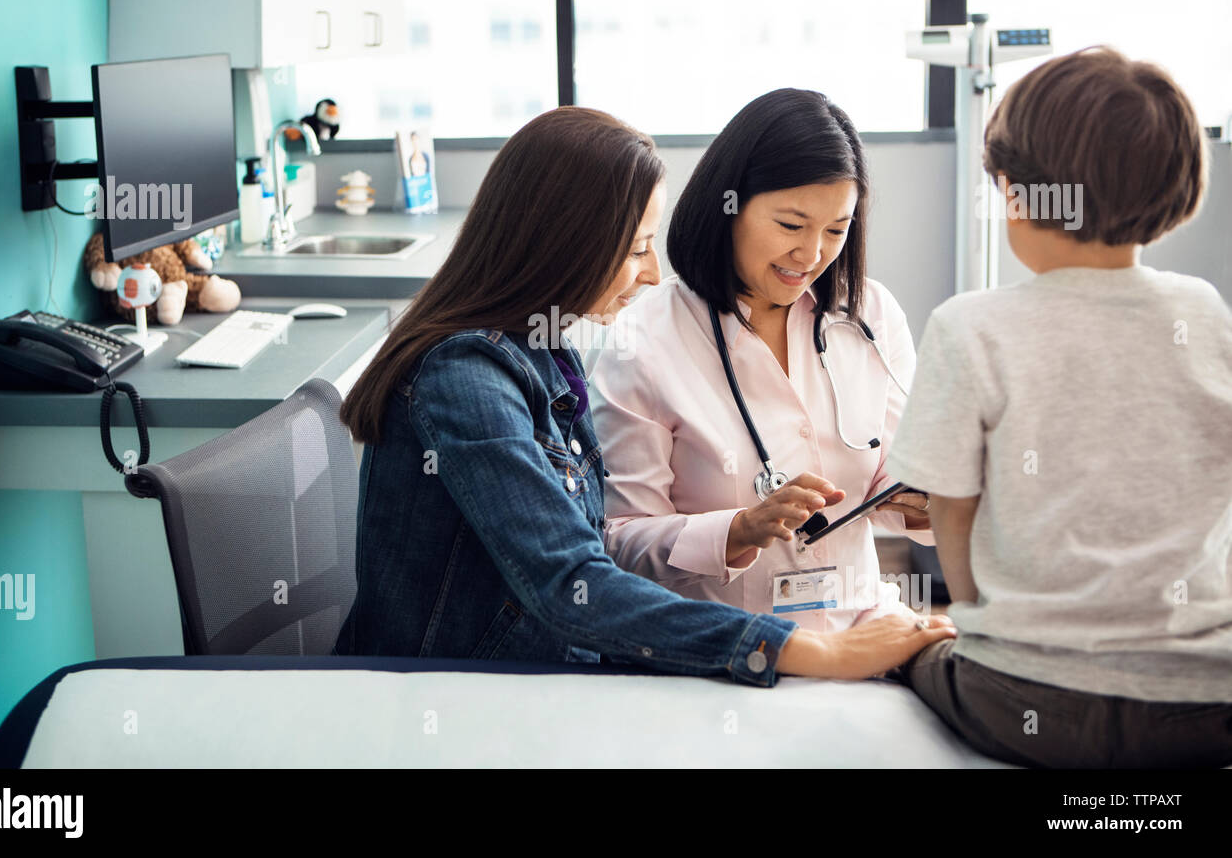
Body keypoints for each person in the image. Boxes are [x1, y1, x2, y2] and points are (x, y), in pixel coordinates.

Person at [333, 105, 954, 684]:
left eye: (837, 229)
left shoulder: (545, 357)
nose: (655, 271)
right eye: (635, 249)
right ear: (562, 243)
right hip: (470, 696)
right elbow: (577, 577)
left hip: (572, 671)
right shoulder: (464, 380)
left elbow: (581, 557)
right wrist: (807, 647)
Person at [888, 46, 1232, 767]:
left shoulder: (969, 325)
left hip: (1023, 699)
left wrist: (979, 622)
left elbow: (950, 506)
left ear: (1015, 193)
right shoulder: (1205, 314)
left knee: (908, 651)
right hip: (1203, 707)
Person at [589, 89, 933, 633]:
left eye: (836, 230)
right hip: (726, 640)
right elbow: (617, 538)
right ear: (728, 207)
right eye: (791, 226)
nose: (813, 254)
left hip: (862, 623)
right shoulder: (645, 338)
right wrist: (738, 530)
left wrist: (928, 502)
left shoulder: (871, 313)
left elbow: (890, 478)